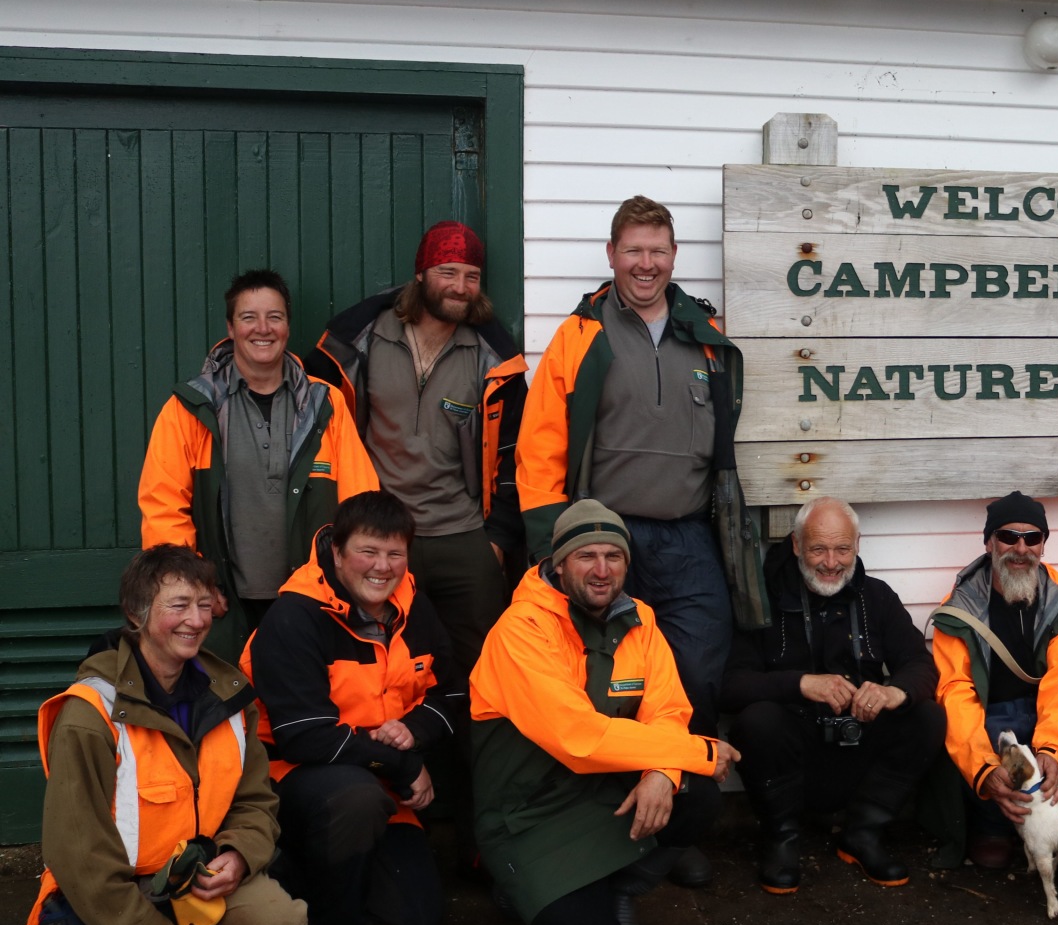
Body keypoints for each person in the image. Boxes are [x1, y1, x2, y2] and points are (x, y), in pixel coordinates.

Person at [516, 197, 768, 887]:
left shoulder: (704, 333)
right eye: (634, 250)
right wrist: (552, 546)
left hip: (688, 535)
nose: (646, 264)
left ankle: (678, 823)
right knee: (602, 683)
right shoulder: (582, 334)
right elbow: (541, 449)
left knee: (695, 673)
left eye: (658, 250)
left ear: (674, 257)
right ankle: (605, 829)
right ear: (611, 255)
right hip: (608, 539)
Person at [2, 547, 305, 925]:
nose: (196, 620)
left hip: (187, 884)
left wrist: (238, 852)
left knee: (281, 921)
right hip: (110, 900)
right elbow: (80, 858)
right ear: (137, 615)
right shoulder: (90, 714)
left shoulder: (228, 696)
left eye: (205, 605)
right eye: (178, 605)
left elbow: (255, 800)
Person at [468, 500, 737, 925]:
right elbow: (579, 738)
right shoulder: (520, 631)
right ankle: (520, 885)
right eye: (586, 556)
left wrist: (663, 772)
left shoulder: (641, 620)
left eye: (613, 557)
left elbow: (669, 711)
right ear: (559, 562)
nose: (601, 570)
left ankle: (619, 891)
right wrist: (693, 754)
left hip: (601, 796)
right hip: (529, 817)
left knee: (695, 794)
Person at [240, 491, 463, 925]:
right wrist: (403, 764)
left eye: (395, 553)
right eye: (368, 551)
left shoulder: (414, 608)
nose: (382, 567)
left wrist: (416, 729)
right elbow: (303, 739)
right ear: (336, 552)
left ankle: (303, 881)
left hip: (375, 786)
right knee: (353, 797)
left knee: (415, 920)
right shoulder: (294, 618)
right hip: (294, 782)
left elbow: (454, 695)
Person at [306, 221, 528, 672]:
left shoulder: (492, 358)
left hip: (462, 533)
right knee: (376, 659)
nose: (460, 287)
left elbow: (513, 455)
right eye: (448, 272)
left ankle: (469, 744)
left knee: (482, 666)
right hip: (380, 529)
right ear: (422, 275)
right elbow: (311, 420)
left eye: (471, 276)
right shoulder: (361, 341)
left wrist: (498, 542)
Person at [137, 269, 379, 660]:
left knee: (298, 705)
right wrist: (193, 590)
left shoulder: (326, 404)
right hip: (220, 604)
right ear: (230, 328)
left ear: (287, 325)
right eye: (249, 317)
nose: (262, 328)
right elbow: (163, 508)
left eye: (275, 317)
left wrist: (344, 582)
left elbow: (362, 504)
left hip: (312, 597)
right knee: (229, 710)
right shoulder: (190, 409)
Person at [720, 497, 944, 893]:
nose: (831, 562)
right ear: (795, 545)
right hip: (794, 756)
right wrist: (801, 683)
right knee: (757, 722)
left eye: (842, 549)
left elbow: (921, 666)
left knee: (926, 716)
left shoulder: (878, 597)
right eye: (818, 549)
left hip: (861, 749)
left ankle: (863, 834)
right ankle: (782, 839)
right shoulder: (763, 600)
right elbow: (731, 685)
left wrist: (893, 693)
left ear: (857, 544)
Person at [929, 492, 1058, 891]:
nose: (1021, 549)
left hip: (1044, 715)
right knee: (975, 723)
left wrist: (1051, 748)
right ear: (989, 543)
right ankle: (994, 826)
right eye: (1008, 536)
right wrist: (984, 769)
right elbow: (956, 691)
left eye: (1032, 538)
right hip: (993, 718)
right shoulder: (957, 608)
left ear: (1043, 544)